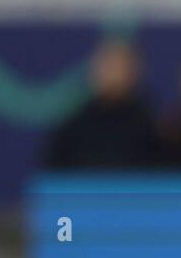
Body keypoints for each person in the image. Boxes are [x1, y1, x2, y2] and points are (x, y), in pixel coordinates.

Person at [42, 40, 163, 169]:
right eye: (107, 66)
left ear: (134, 71)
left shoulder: (151, 125)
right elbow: (51, 168)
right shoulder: (73, 124)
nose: (112, 74)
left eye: (119, 66)